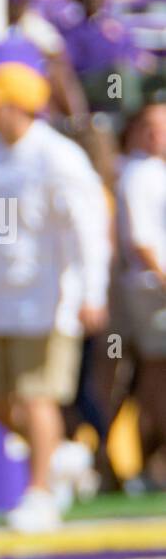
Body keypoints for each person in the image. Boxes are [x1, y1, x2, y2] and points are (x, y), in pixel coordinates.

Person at [0, 62, 111, 533]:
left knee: (37, 398)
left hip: (48, 302)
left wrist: (92, 291)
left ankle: (39, 493)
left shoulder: (59, 157)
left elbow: (88, 231)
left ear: (18, 108)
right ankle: (61, 454)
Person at [116, 101, 166, 491]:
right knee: (156, 376)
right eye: (149, 127)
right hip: (153, 292)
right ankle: (151, 464)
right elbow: (142, 242)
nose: (156, 135)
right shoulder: (139, 174)